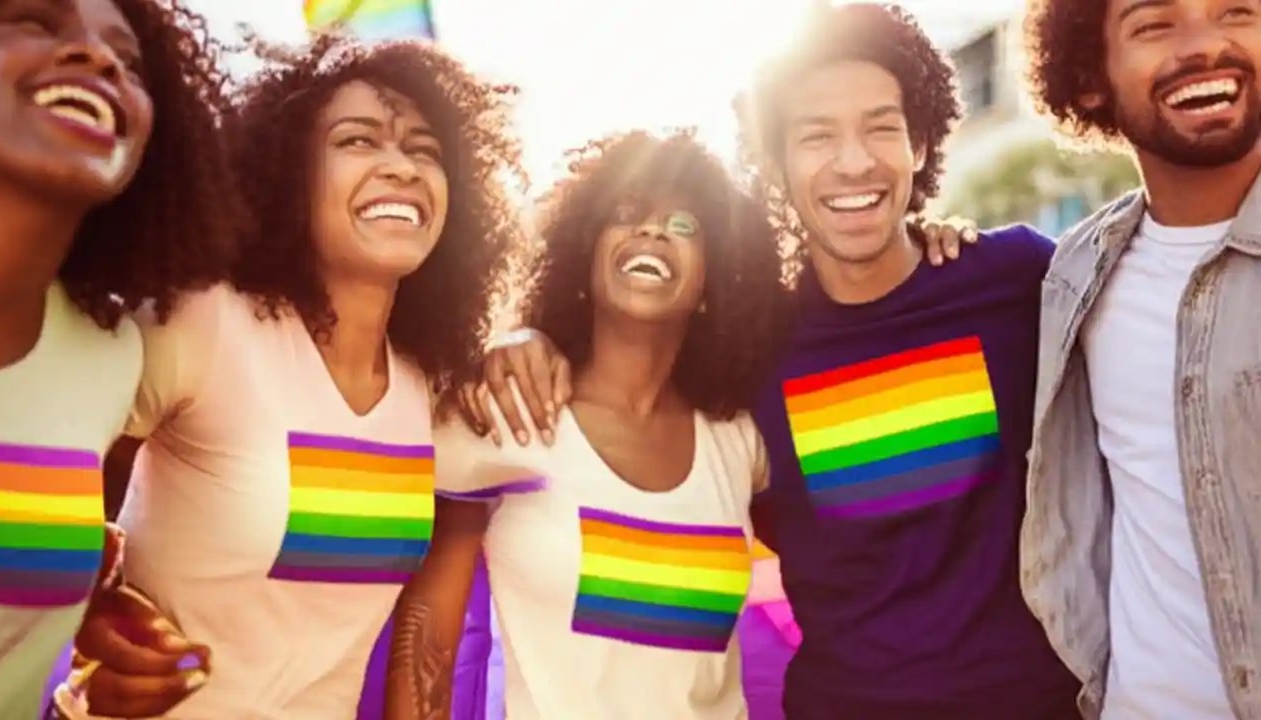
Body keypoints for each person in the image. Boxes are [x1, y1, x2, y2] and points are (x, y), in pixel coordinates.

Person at [463, 4, 1083, 719]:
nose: (854, 161)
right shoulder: (747, 351)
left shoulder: (1015, 281)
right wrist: (526, 342)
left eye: (881, 126)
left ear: (920, 143)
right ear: (775, 163)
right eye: (817, 135)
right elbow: (627, 376)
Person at [65, 33, 524, 719]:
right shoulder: (203, 321)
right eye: (359, 141)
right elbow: (52, 463)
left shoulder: (430, 386)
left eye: (424, 150)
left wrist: (528, 336)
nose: (400, 166)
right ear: (288, 174)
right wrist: (88, 607)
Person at [407, 129, 791, 719]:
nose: (653, 231)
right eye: (626, 214)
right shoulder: (505, 414)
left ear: (714, 286)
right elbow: (430, 636)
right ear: (583, 264)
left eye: (685, 226)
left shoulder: (739, 440)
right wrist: (501, 344)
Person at [0, 0, 237, 716]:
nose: (97, 60)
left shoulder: (110, 356)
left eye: (130, 63)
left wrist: (94, 626)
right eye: (35, 21)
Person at [1021, 1, 1261, 717]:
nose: (1205, 45)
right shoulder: (1076, 276)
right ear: (1091, 76)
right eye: (1155, 25)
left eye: (1237, 12)